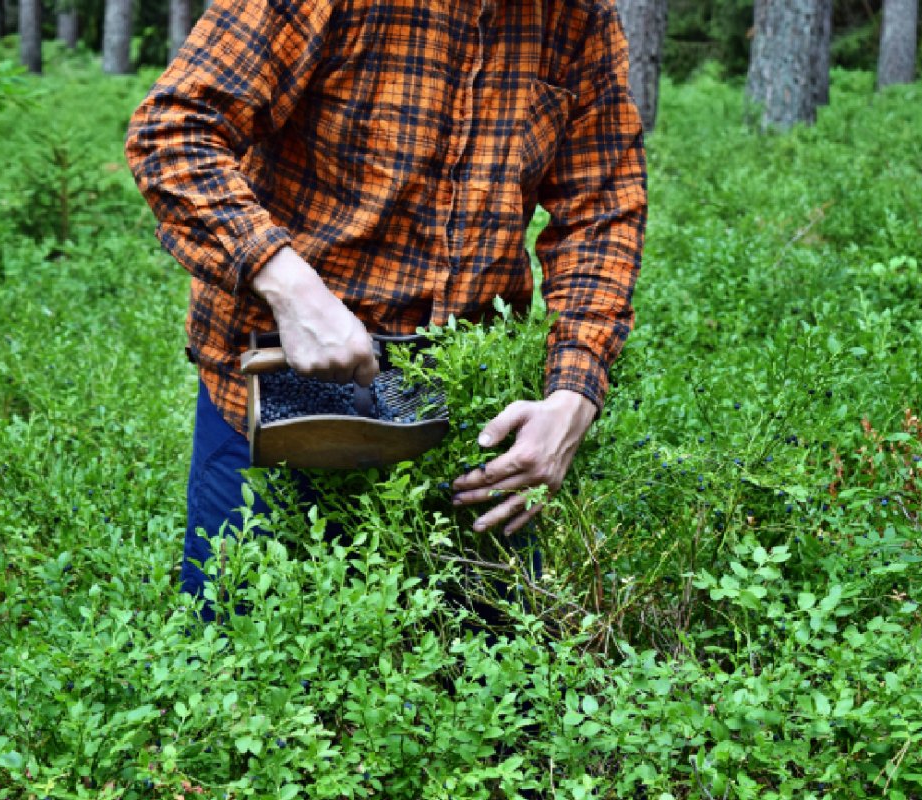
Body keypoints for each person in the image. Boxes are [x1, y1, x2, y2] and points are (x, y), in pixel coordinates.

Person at [126, 0, 647, 615]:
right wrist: (290, 286)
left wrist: (573, 394)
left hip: (466, 419)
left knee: (487, 660)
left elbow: (602, 209)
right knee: (241, 646)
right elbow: (174, 130)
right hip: (274, 388)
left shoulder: (580, 16)